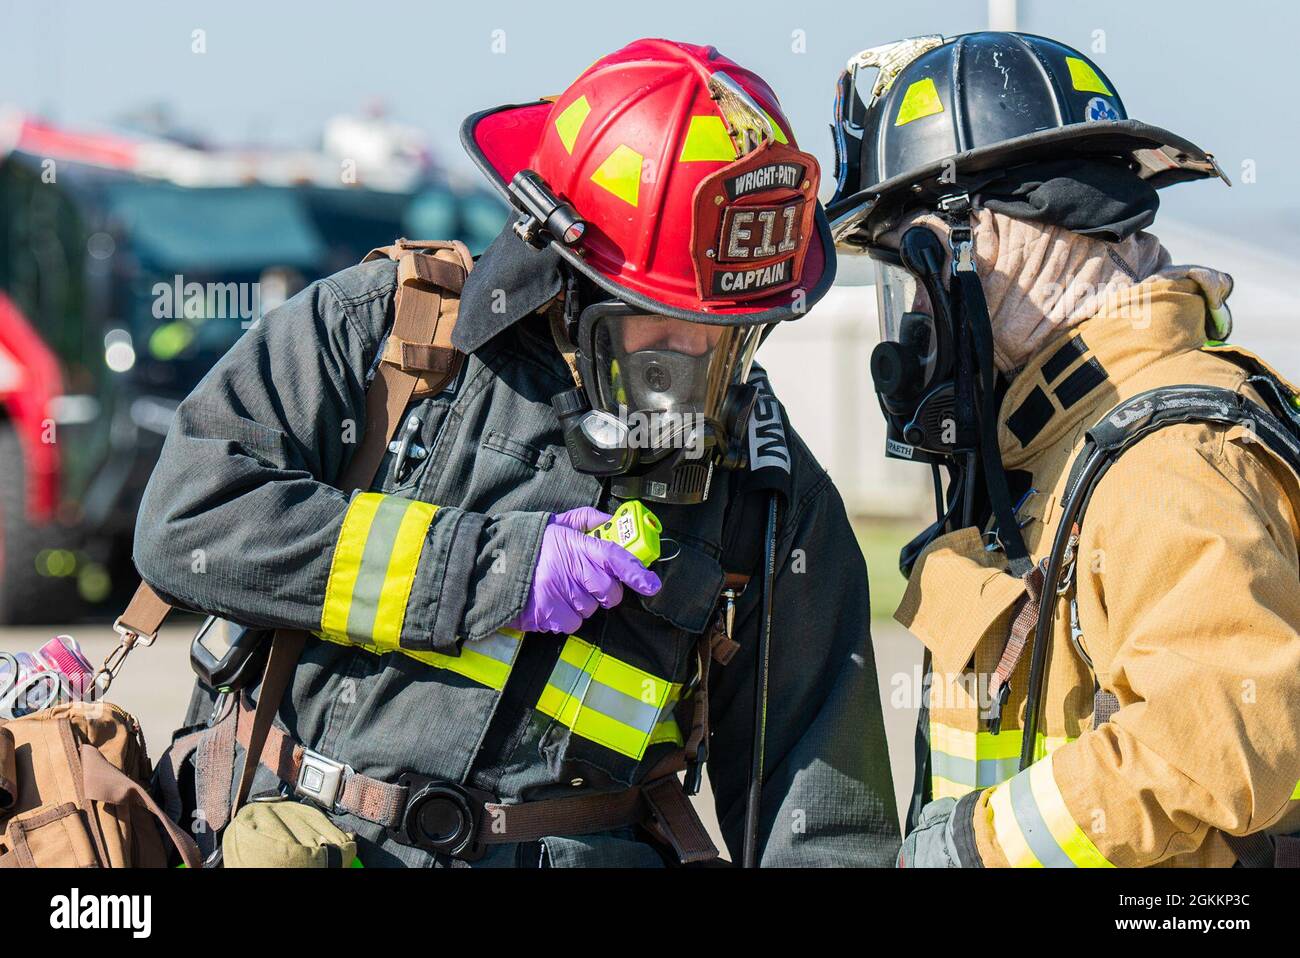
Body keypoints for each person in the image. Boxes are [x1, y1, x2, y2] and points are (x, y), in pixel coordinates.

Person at [134, 38, 899, 868]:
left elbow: (823, 834)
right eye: (666, 322)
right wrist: (494, 572)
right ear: (570, 274)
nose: (697, 363)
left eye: (732, 332)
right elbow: (189, 523)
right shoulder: (385, 337)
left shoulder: (769, 492)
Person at [829, 31, 1300, 867]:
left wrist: (977, 849)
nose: (913, 329)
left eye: (914, 277)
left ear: (995, 246)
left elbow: (1225, 739)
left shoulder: (1169, 458)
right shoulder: (1066, 447)